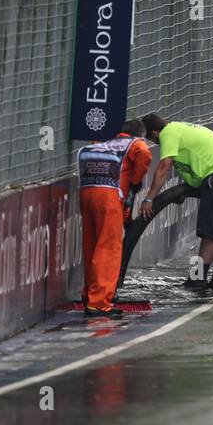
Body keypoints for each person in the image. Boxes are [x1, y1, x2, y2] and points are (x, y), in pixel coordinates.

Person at [139, 114, 213, 291]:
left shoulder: (168, 133)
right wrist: (186, 189)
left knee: (209, 230)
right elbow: (196, 159)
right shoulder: (178, 128)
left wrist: (149, 198)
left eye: (150, 138)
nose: (154, 142)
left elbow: (164, 166)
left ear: (155, 133)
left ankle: (197, 278)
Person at [77, 120, 151, 316]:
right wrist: (136, 181)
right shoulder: (134, 143)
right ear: (137, 134)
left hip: (86, 193)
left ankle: (89, 294)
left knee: (91, 245)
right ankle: (99, 302)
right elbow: (143, 152)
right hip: (109, 196)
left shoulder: (102, 141)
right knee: (108, 248)